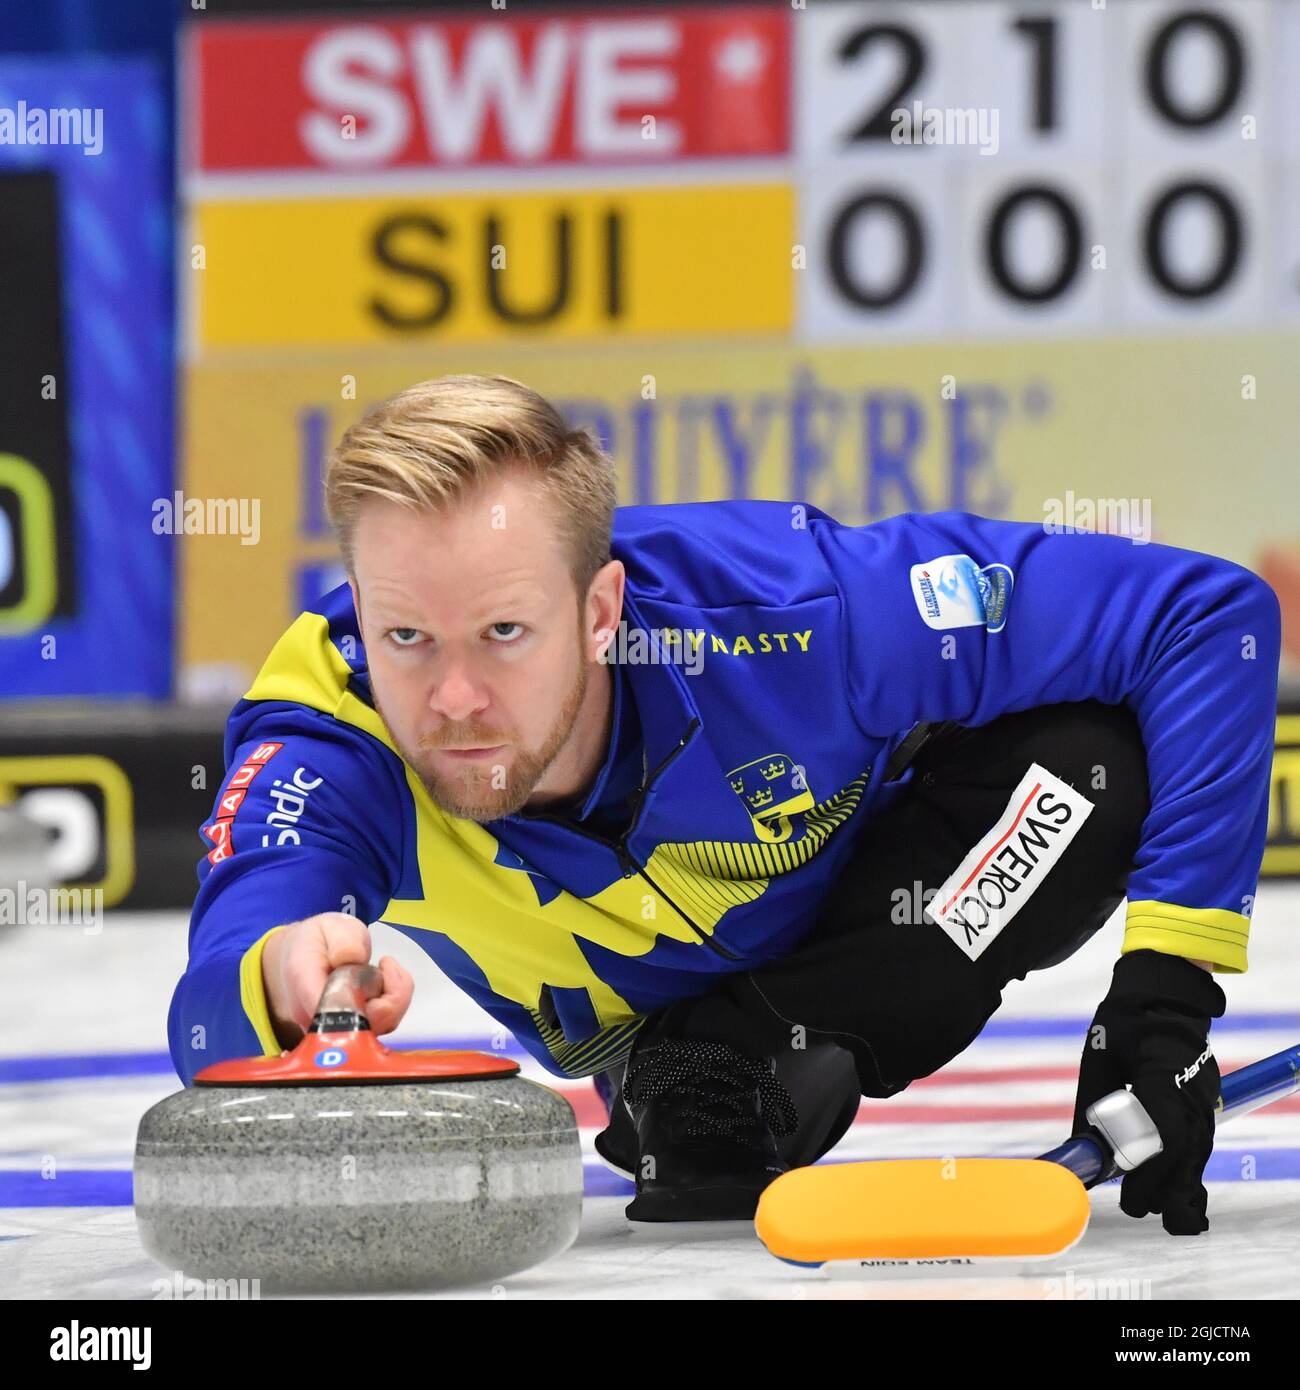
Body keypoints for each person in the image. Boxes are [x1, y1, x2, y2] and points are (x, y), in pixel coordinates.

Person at [168, 374, 1280, 1235]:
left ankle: (768, 1050)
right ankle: (700, 1076)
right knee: (701, 1146)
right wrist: (275, 971)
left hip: (880, 914)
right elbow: (219, 991)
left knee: (1088, 765)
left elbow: (1203, 618)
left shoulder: (806, 611)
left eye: (505, 633)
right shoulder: (331, 722)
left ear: (601, 607)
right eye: (406, 636)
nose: (453, 700)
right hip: (632, 1033)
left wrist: (1165, 992)